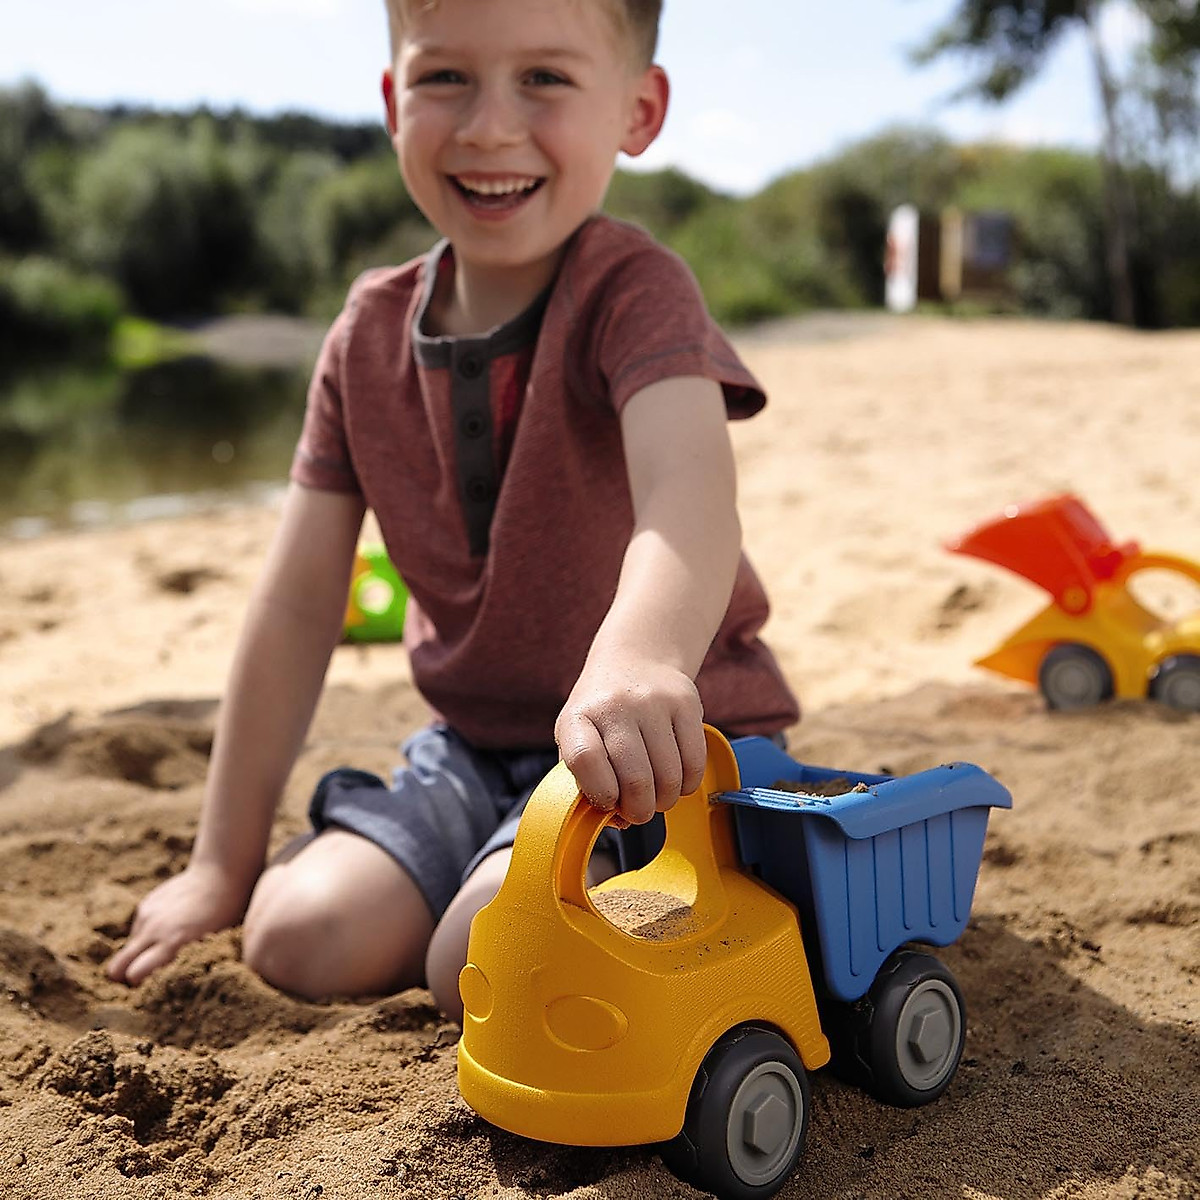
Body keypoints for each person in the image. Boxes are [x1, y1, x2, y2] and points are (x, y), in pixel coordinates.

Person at [107, 0, 799, 1020]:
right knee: (298, 934)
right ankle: (433, 863)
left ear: (637, 111)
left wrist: (641, 658)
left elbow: (688, 503)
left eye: (545, 80)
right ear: (393, 102)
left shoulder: (636, 291)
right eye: (446, 79)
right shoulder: (364, 336)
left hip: (653, 755)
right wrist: (221, 863)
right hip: (471, 748)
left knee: (482, 951)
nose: (486, 127)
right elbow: (299, 608)